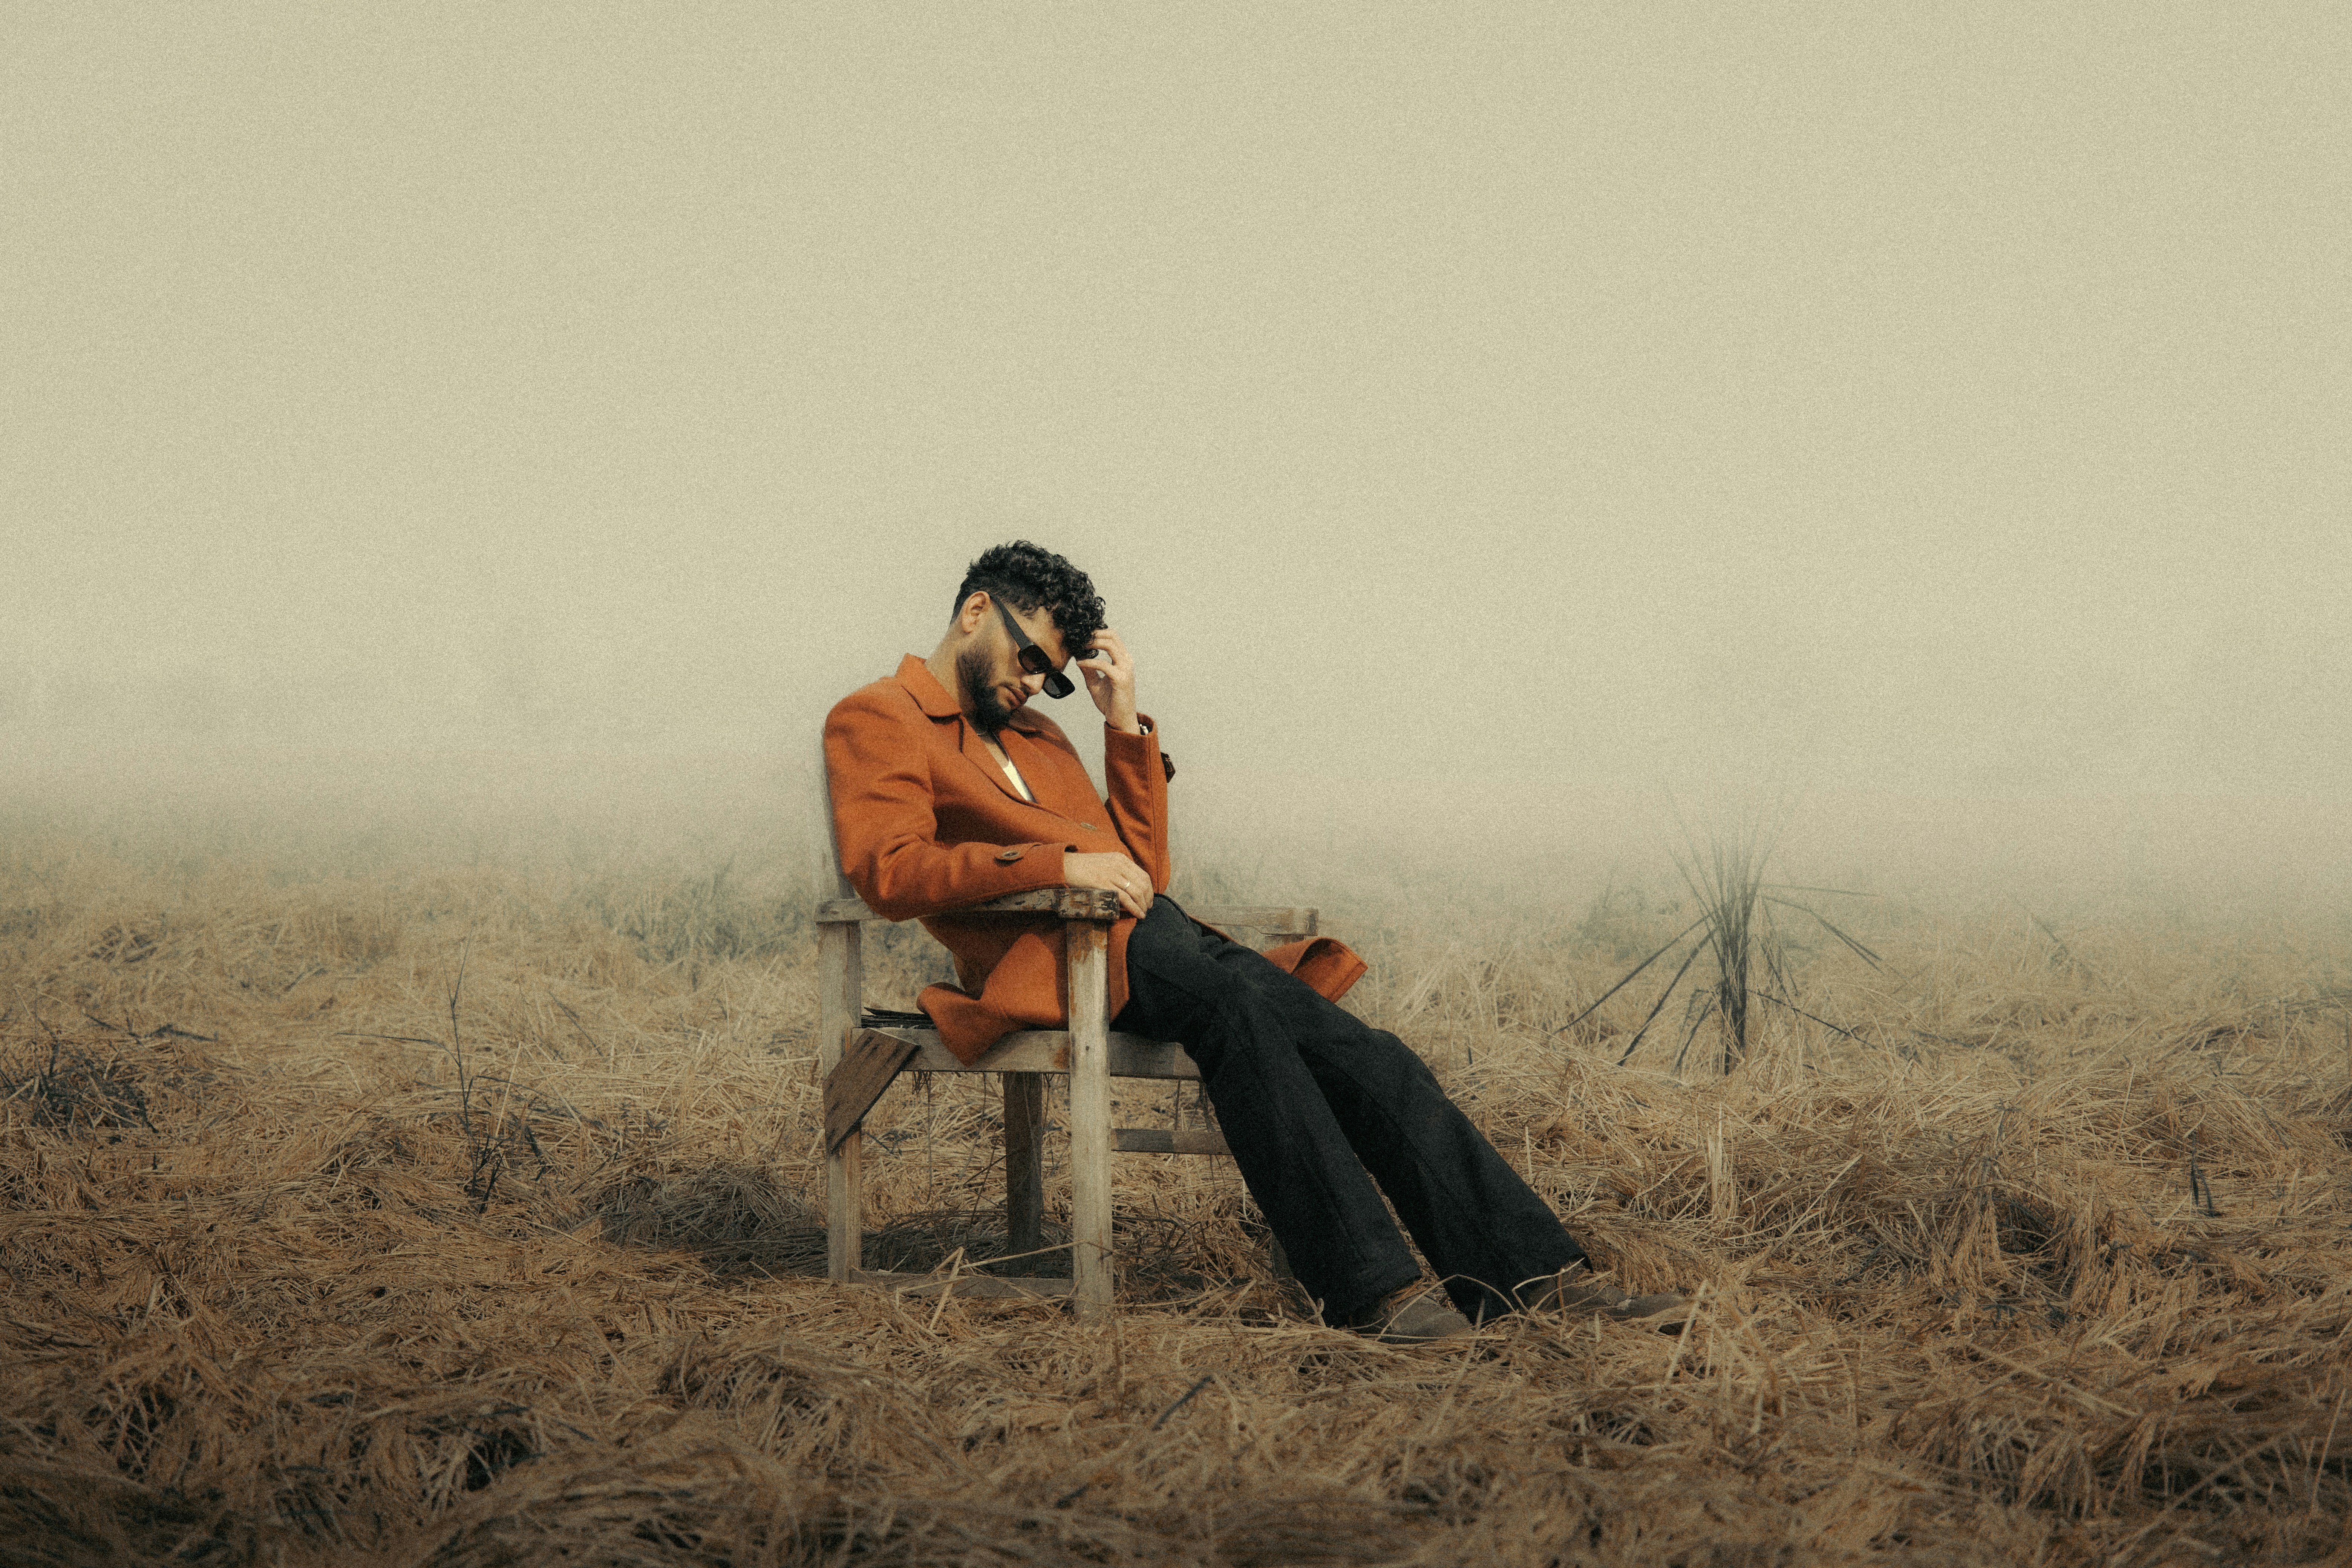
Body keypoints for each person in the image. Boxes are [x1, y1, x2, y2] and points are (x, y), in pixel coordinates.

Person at [822, 541, 1686, 1340]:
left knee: (1367, 1051)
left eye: (1053, 673)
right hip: (1060, 960)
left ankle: (1537, 1280)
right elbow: (889, 870)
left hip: (1155, 939)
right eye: (1030, 657)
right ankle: (1372, 1292)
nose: (1037, 682)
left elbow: (1144, 867)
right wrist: (1059, 865)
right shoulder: (879, 716)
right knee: (1239, 1007)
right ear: (976, 612)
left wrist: (1122, 721)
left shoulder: (1042, 737)